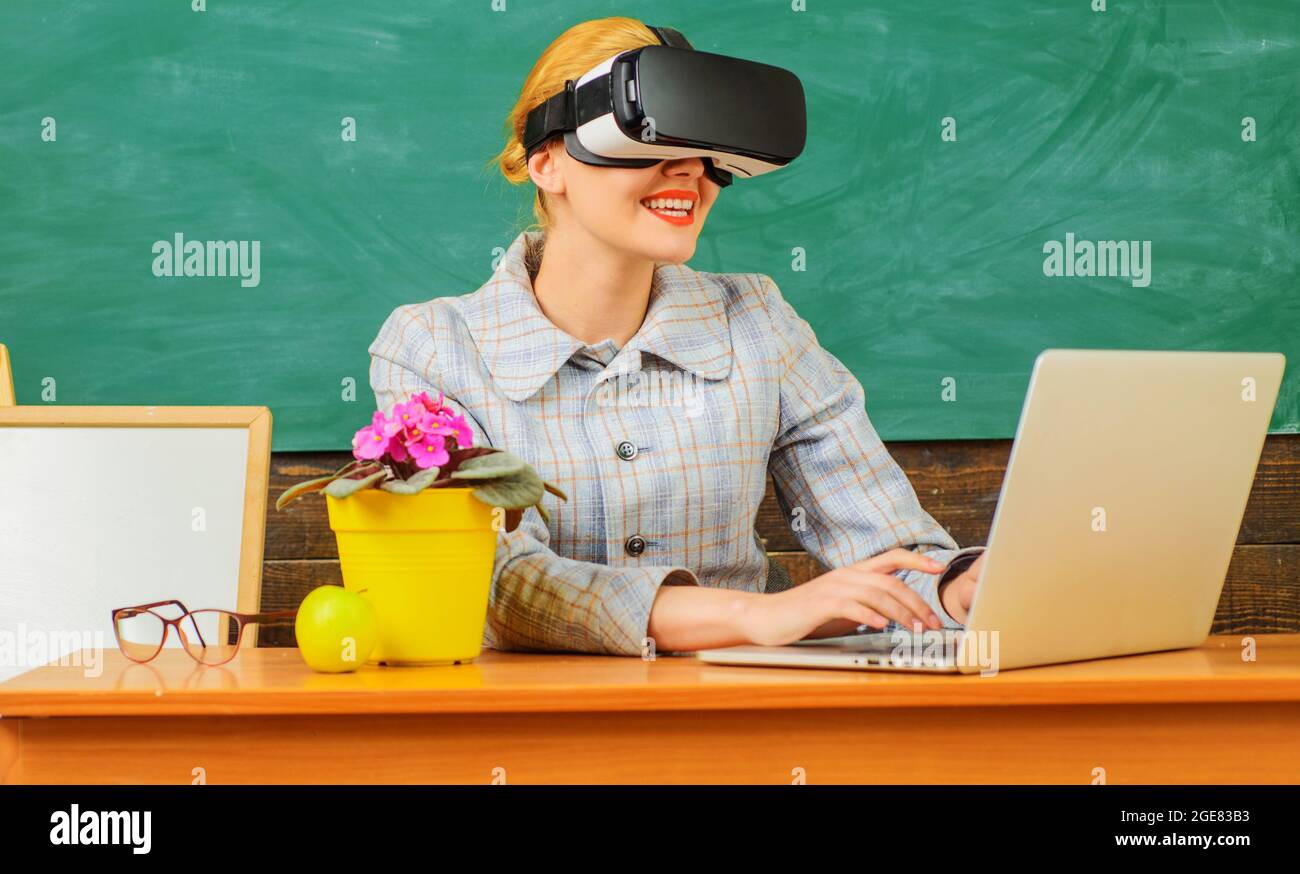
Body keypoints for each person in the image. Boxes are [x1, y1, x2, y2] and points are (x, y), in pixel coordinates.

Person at [369, 16, 985, 656]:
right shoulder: (432, 347)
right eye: (650, 139)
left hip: (742, 715)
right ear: (547, 162)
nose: (690, 169)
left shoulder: (757, 321)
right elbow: (497, 581)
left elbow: (885, 542)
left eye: (705, 147)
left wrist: (958, 587)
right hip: (528, 727)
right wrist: (754, 615)